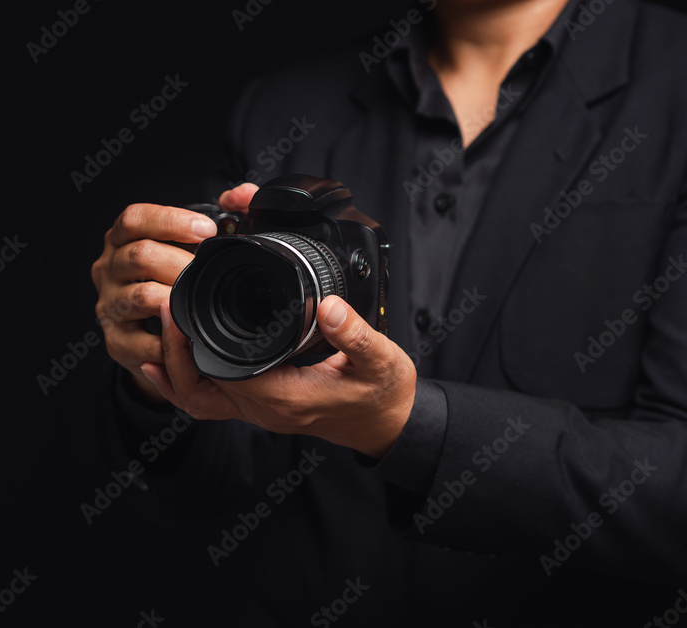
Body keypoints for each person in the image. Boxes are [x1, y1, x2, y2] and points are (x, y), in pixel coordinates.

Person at [91, 0, 687, 624]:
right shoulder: (286, 107)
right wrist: (159, 361)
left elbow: (674, 496)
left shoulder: (669, 80)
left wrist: (405, 425)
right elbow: (205, 484)